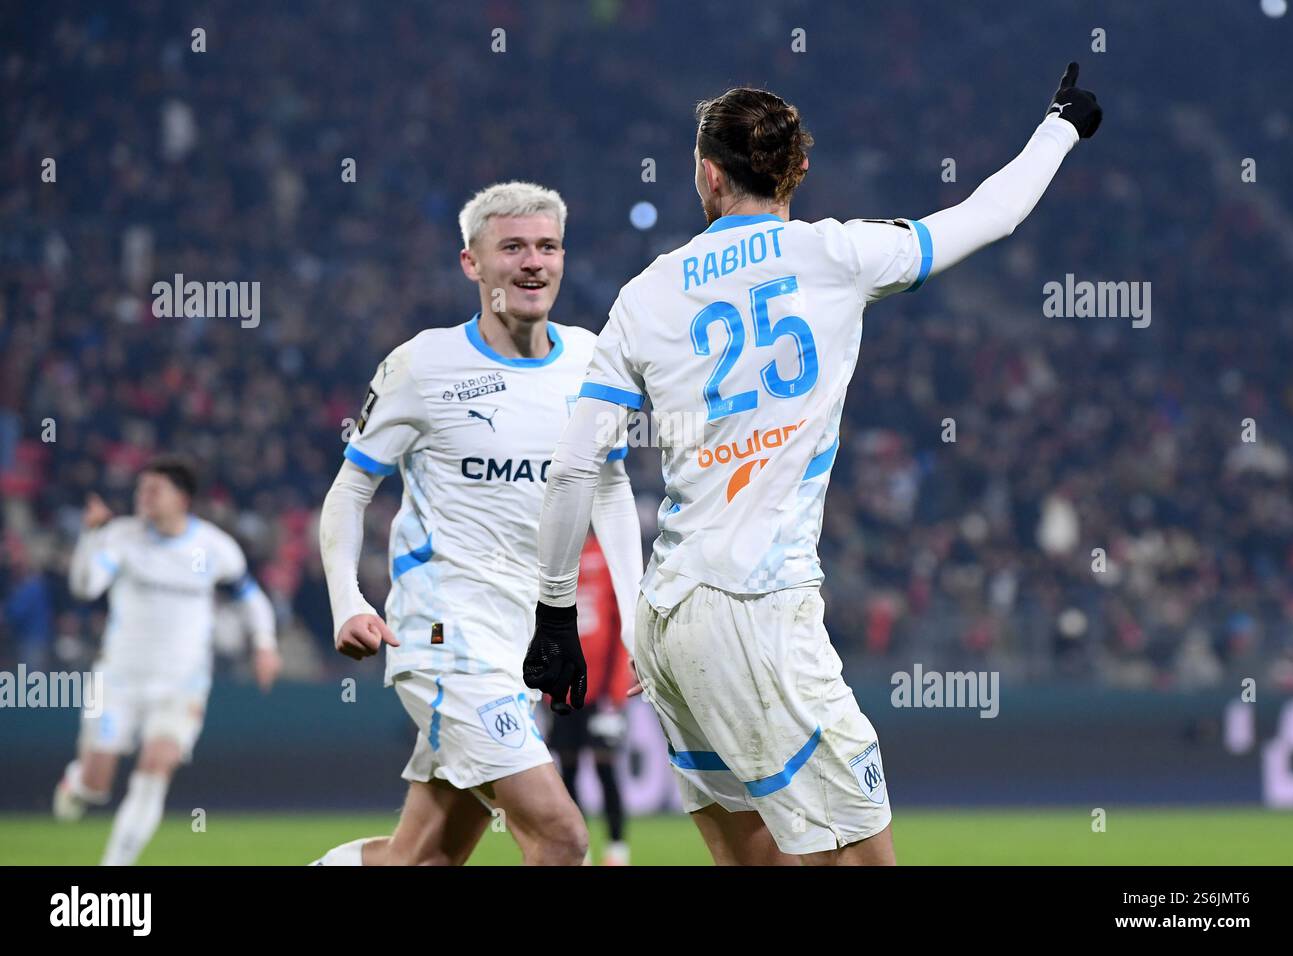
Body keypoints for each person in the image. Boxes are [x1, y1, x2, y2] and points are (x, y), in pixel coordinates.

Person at [527, 66, 1102, 864]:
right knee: (865, 858)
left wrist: (554, 611)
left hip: (670, 617)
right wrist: (1061, 126)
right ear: (797, 170)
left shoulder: (644, 296)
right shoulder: (838, 254)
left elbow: (573, 466)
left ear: (707, 172)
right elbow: (992, 214)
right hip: (758, 605)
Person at [312, 182, 642, 866]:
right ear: (472, 263)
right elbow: (350, 489)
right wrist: (347, 600)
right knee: (561, 835)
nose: (533, 262)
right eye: (512, 247)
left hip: (523, 647)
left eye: (547, 246)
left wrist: (636, 624)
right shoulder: (423, 364)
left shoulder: (590, 359)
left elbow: (610, 489)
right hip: (443, 635)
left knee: (422, 860)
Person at [55, 455, 281, 866]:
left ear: (182, 499)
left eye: (154, 489)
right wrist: (91, 537)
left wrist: (265, 644)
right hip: (119, 680)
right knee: (95, 786)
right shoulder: (122, 537)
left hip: (182, 683)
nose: (143, 496)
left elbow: (252, 599)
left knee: (155, 770)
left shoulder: (214, 548)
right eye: (141, 489)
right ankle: (78, 781)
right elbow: (87, 588)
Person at [547, 534, 633, 865]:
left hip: (600, 692)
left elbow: (618, 625)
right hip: (563, 692)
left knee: (605, 768)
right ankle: (578, 851)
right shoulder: (555, 556)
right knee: (567, 772)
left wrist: (615, 695)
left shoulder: (605, 556)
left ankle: (617, 850)